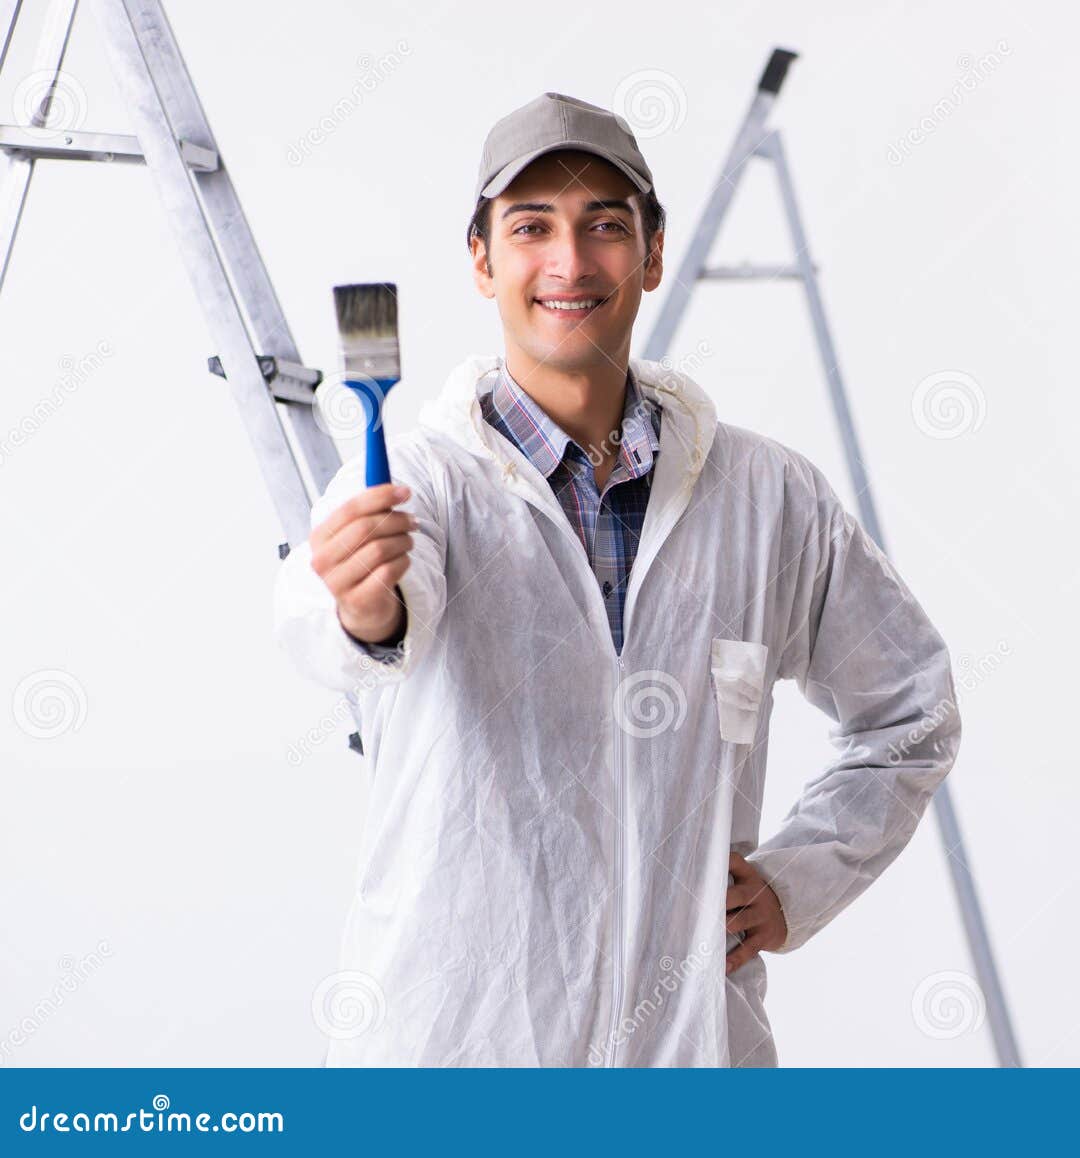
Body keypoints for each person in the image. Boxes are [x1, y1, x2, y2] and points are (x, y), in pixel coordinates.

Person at [273, 92, 961, 1066]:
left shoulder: (768, 498)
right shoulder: (416, 484)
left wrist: (796, 882)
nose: (569, 261)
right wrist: (362, 606)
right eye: (531, 228)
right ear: (482, 261)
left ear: (652, 254)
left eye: (604, 225)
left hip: (688, 1056)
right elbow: (322, 620)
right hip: (455, 1057)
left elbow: (912, 711)